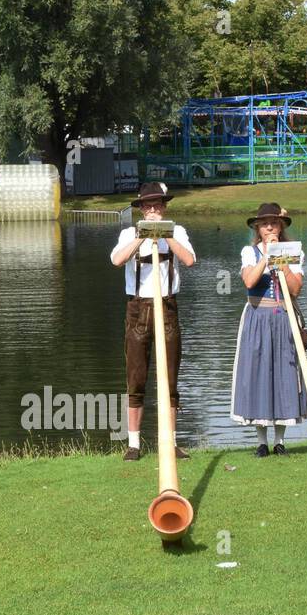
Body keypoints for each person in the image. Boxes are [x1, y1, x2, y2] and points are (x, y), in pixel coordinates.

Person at [109, 181, 195, 461]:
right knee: (136, 377)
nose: (154, 209)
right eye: (148, 206)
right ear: (141, 209)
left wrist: (165, 234)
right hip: (138, 308)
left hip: (167, 306)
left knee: (170, 377)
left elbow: (190, 260)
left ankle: (170, 442)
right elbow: (117, 260)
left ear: (165, 207)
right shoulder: (128, 233)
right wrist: (142, 236)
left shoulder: (178, 231)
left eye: (158, 205)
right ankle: (133, 443)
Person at [231, 203, 307, 457]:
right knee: (257, 373)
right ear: (258, 227)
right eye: (264, 223)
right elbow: (249, 281)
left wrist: (282, 260)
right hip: (257, 316)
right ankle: (261, 441)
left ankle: (280, 441)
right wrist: (268, 255)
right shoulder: (249, 252)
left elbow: (296, 289)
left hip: (283, 316)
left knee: (285, 374)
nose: (269, 226)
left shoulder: (295, 252)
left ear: (281, 226)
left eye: (274, 222)